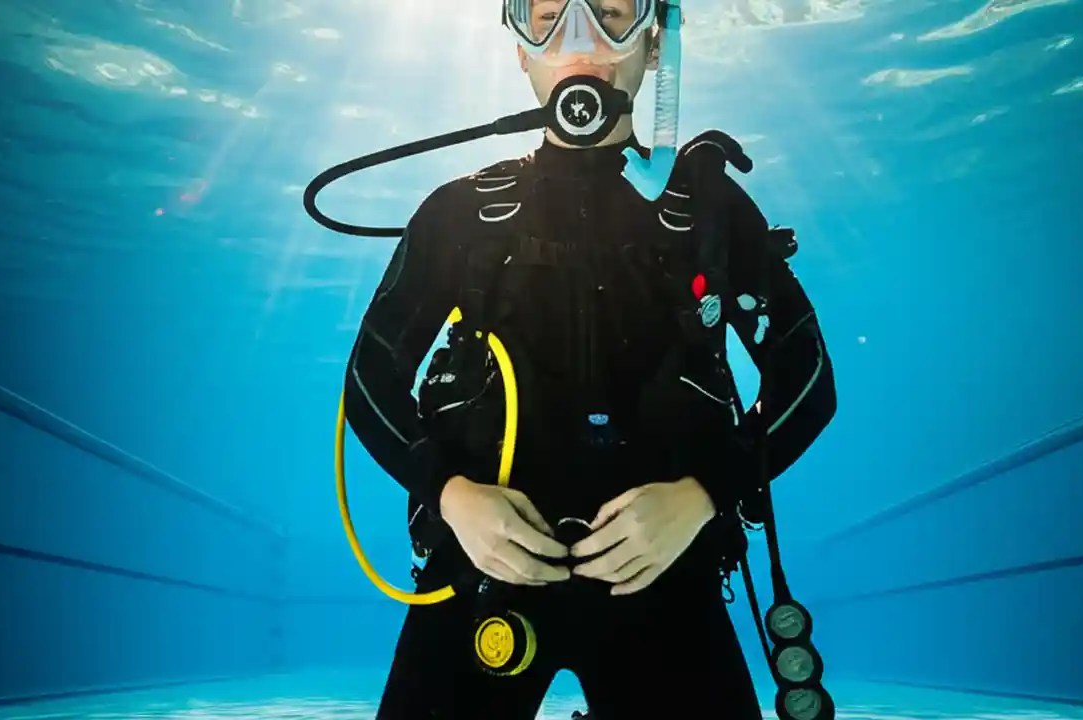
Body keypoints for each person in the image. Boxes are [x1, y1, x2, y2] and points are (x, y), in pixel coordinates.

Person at [341, 1, 836, 717]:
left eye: (611, 14)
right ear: (519, 49)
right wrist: (452, 495)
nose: (580, 44)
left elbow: (808, 377)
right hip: (479, 582)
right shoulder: (460, 215)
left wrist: (701, 493)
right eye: (546, 16)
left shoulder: (708, 212)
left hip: (667, 588)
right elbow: (369, 381)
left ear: (656, 43)